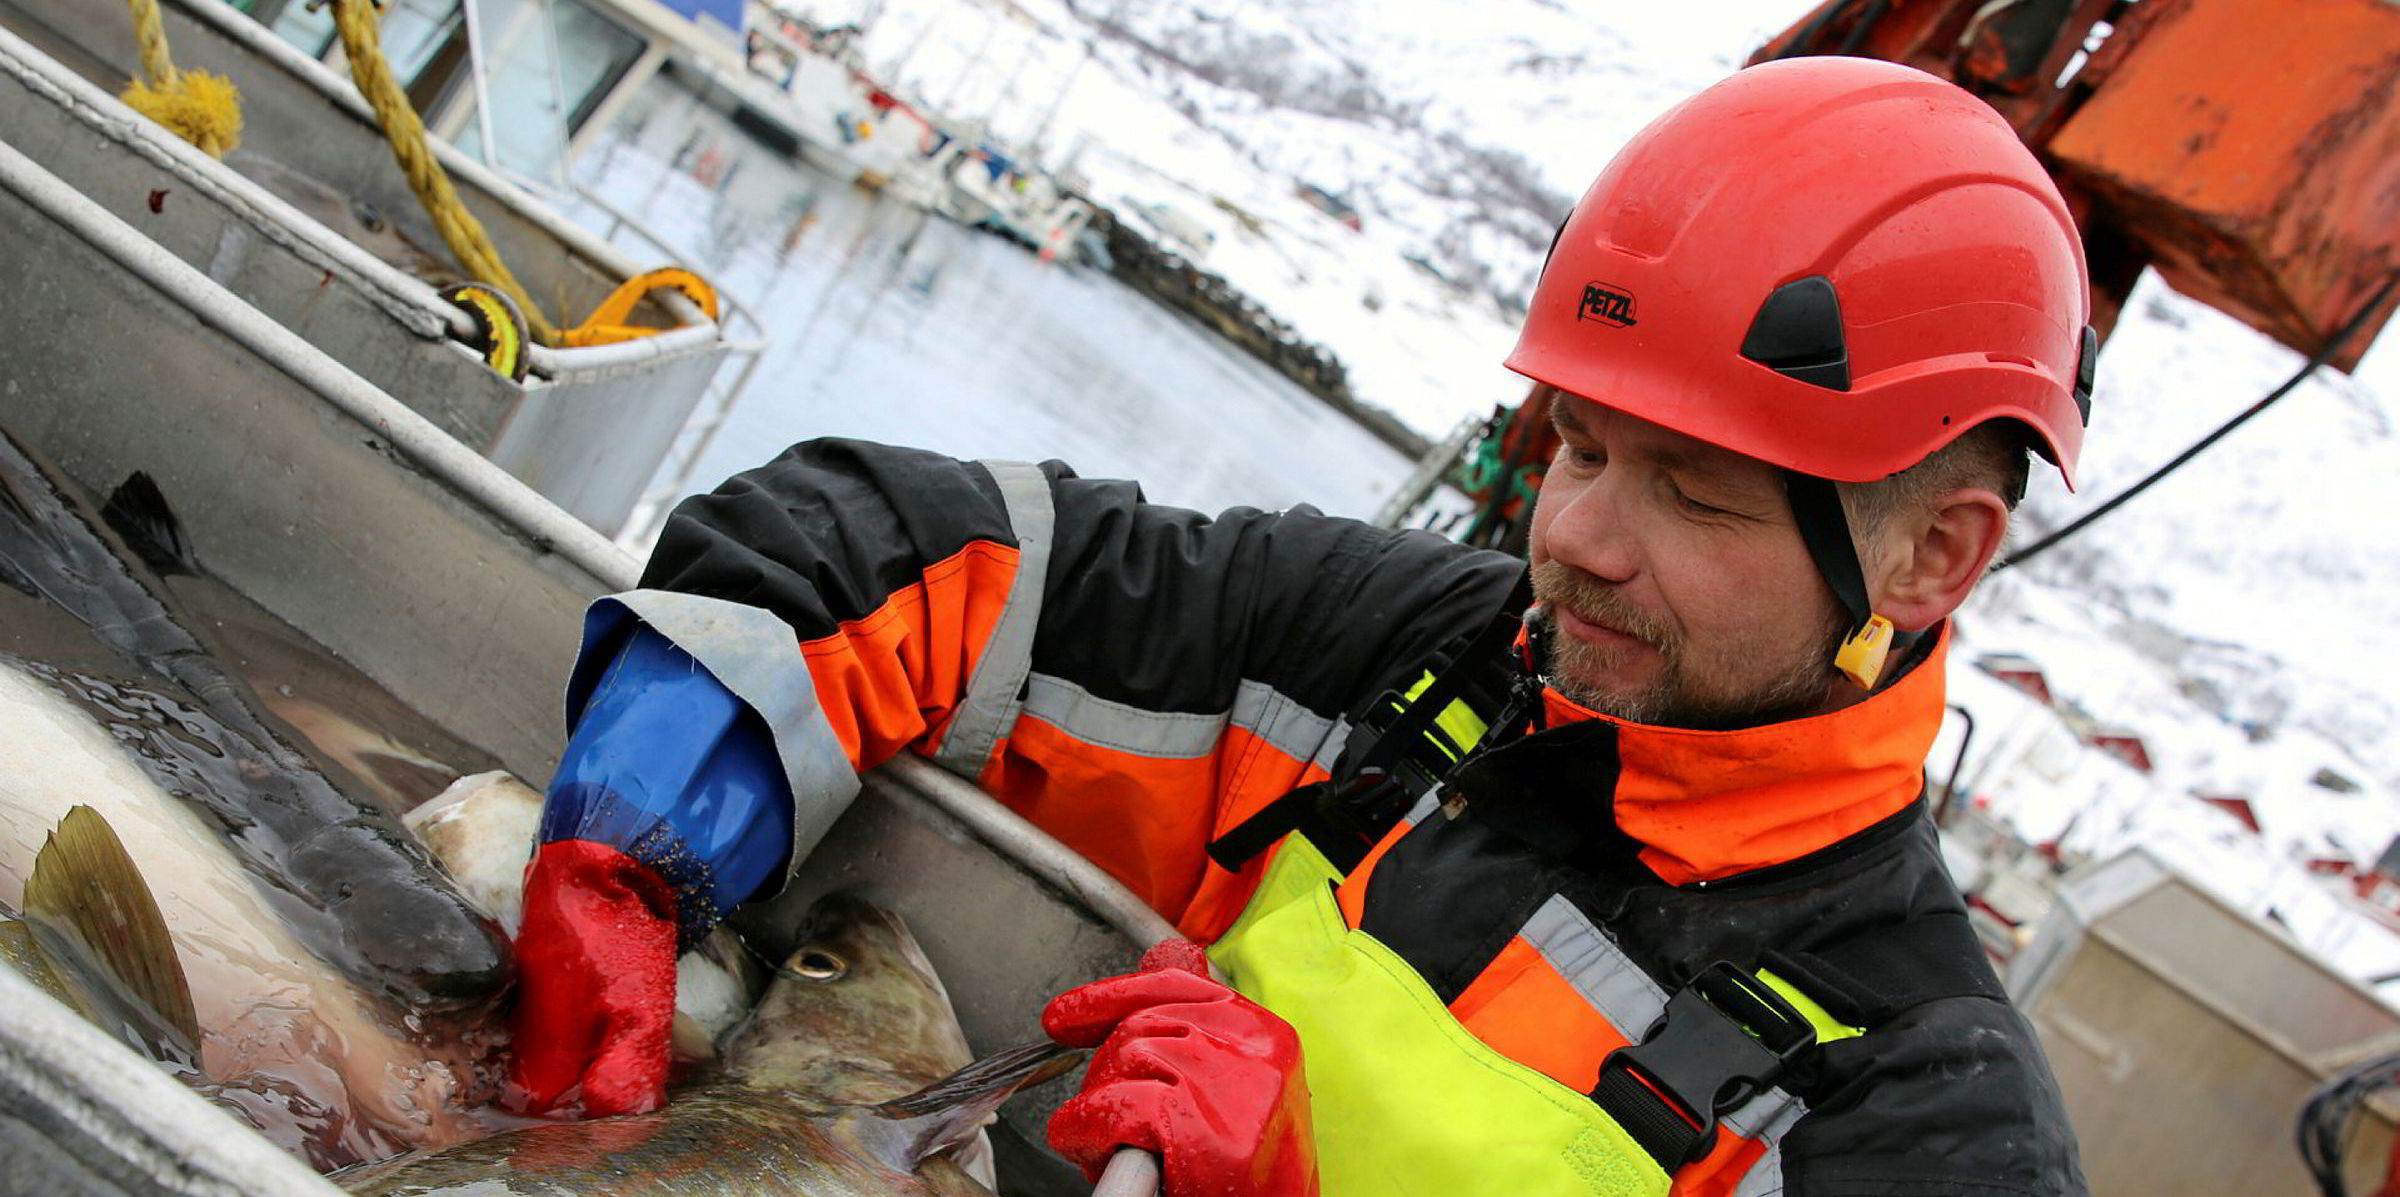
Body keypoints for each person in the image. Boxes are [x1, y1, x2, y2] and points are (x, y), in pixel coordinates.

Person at [505, 56, 2093, 1196]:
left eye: (1694, 493)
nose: (1575, 540)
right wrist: (644, 834)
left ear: (1930, 557)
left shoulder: (1920, 1115)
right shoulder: (1413, 661)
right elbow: (901, 546)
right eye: (1583, 447)